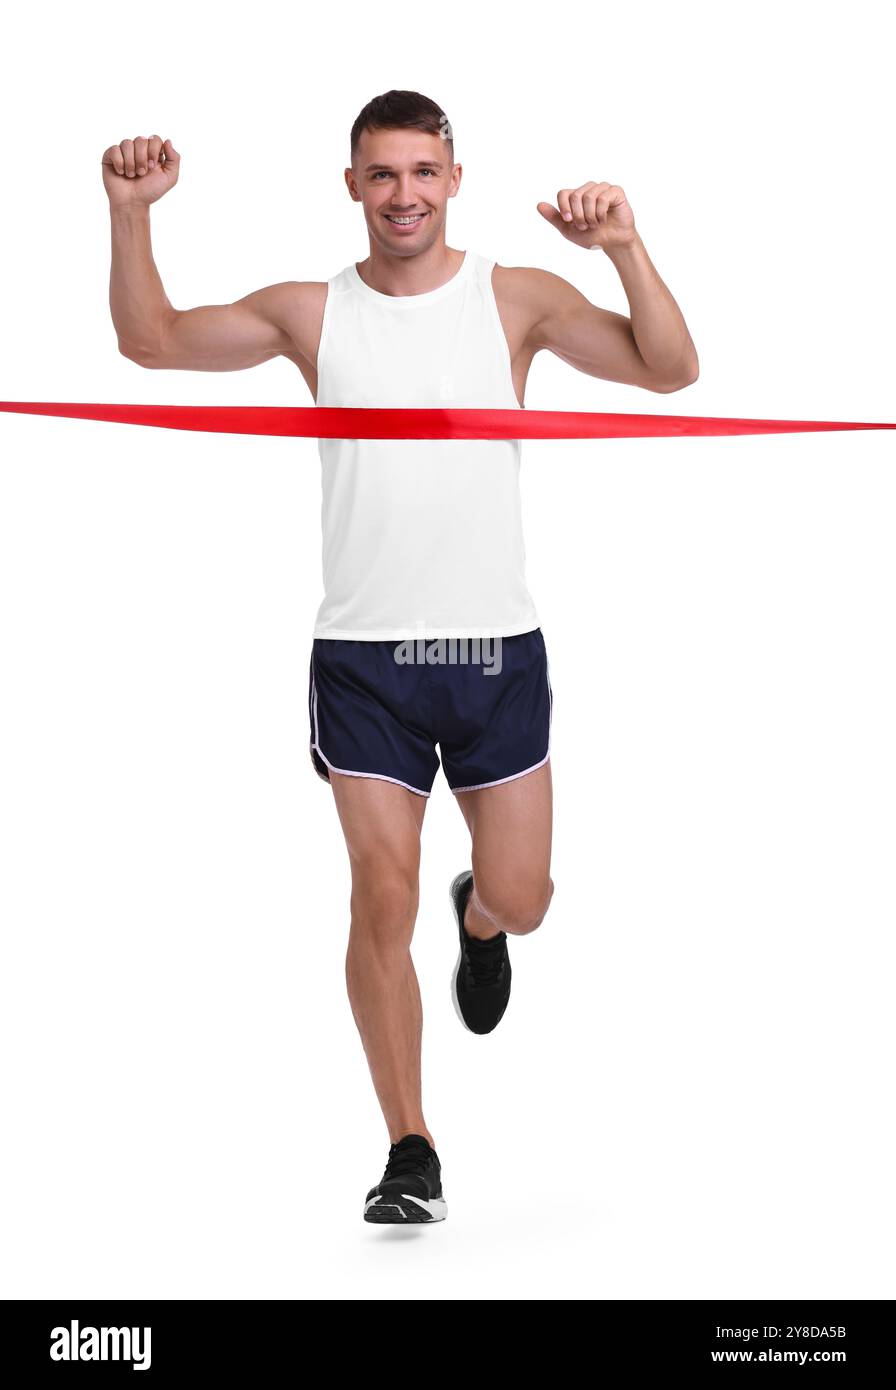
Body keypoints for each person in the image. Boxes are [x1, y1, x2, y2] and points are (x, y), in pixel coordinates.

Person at [103, 89, 698, 1225]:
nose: (403, 196)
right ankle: (409, 1147)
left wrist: (623, 247)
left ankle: (477, 915)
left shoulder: (512, 299)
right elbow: (153, 341)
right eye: (381, 175)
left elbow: (669, 371)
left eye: (422, 173)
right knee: (378, 894)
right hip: (364, 659)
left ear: (454, 180)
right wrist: (131, 213)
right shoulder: (310, 314)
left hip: (491, 650)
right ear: (351, 187)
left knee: (525, 899)